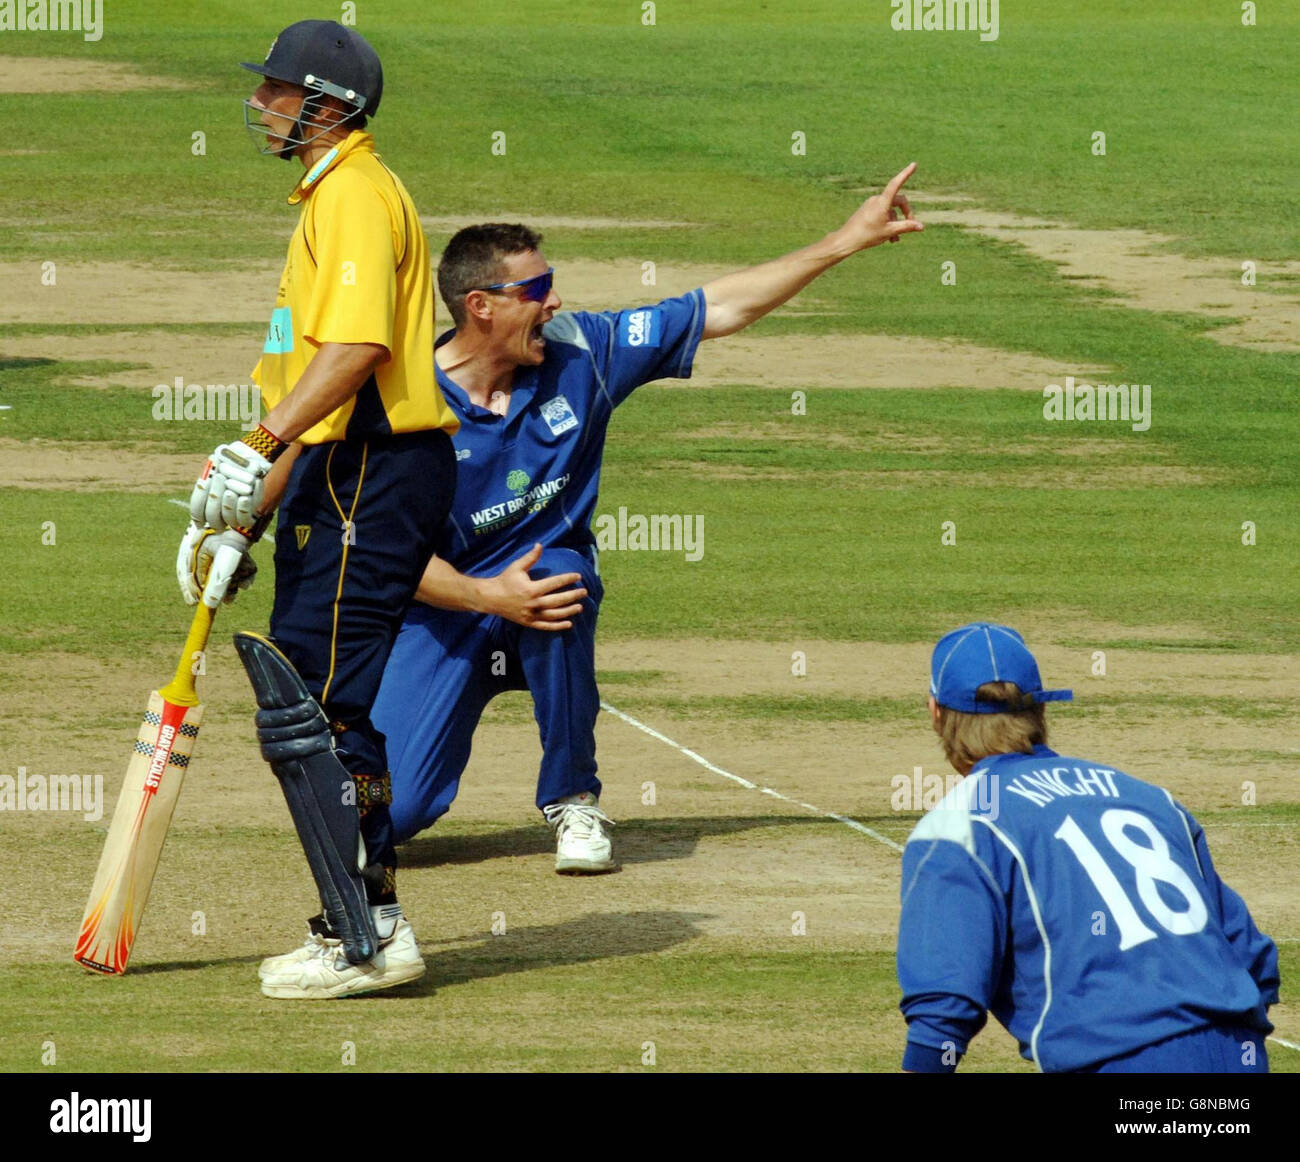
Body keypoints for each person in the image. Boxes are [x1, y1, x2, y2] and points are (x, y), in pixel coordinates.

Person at [370, 164, 926, 873]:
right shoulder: (404, 404)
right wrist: (484, 594)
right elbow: (385, 555)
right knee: (394, 815)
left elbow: (718, 308)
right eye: (536, 291)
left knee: (559, 573)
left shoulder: (583, 352)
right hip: (446, 602)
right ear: (479, 304)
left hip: (540, 587)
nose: (555, 301)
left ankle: (573, 798)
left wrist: (843, 242)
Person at [176, 20, 458, 998]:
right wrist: (241, 522)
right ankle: (364, 919)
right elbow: (312, 388)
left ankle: (367, 934)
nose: (259, 106)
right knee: (309, 693)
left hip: (374, 473)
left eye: (274, 92)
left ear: (325, 106)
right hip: (347, 474)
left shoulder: (353, 194)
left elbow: (354, 357)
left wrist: (253, 449)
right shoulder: (333, 197)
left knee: (317, 706)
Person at [897, 622, 1280, 1073]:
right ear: (1040, 711)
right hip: (1240, 1053)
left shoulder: (959, 822)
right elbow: (1251, 957)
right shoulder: (1149, 798)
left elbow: (942, 1013)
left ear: (936, 712)